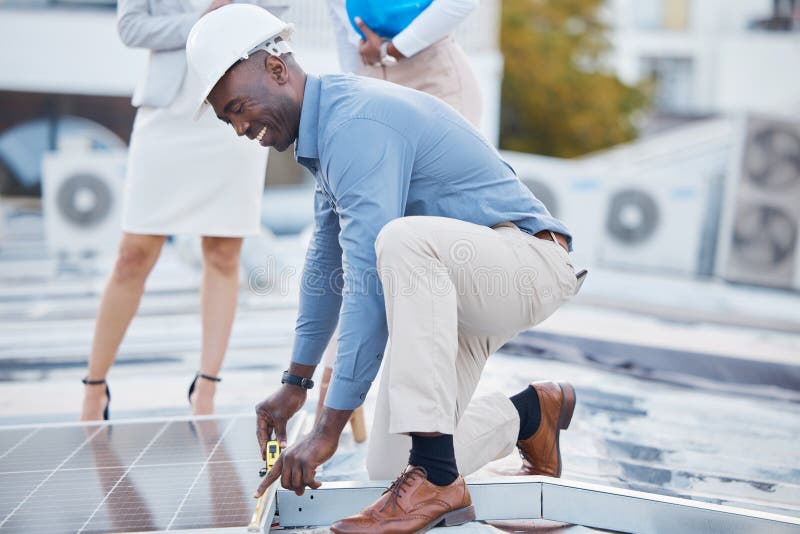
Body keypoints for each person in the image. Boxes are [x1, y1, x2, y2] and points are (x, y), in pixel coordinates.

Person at [188, 5, 582, 533]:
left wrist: (327, 427)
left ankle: (439, 480)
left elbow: (368, 282)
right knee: (390, 469)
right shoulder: (325, 138)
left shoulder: (355, 124)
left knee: (396, 243)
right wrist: (295, 383)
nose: (239, 128)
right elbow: (325, 266)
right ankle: (533, 414)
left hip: (526, 262)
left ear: (277, 70)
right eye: (227, 119)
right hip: (462, 284)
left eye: (238, 107)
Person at [79, 0, 285, 421]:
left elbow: (275, 13)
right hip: (166, 113)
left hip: (237, 105)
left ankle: (206, 389)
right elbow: (132, 27)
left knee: (224, 254)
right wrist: (204, 23)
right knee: (132, 254)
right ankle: (93, 387)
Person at [326, 0, 482, 127]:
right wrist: (351, 91)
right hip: (371, 84)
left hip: (432, 77)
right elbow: (342, 31)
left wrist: (393, 49)